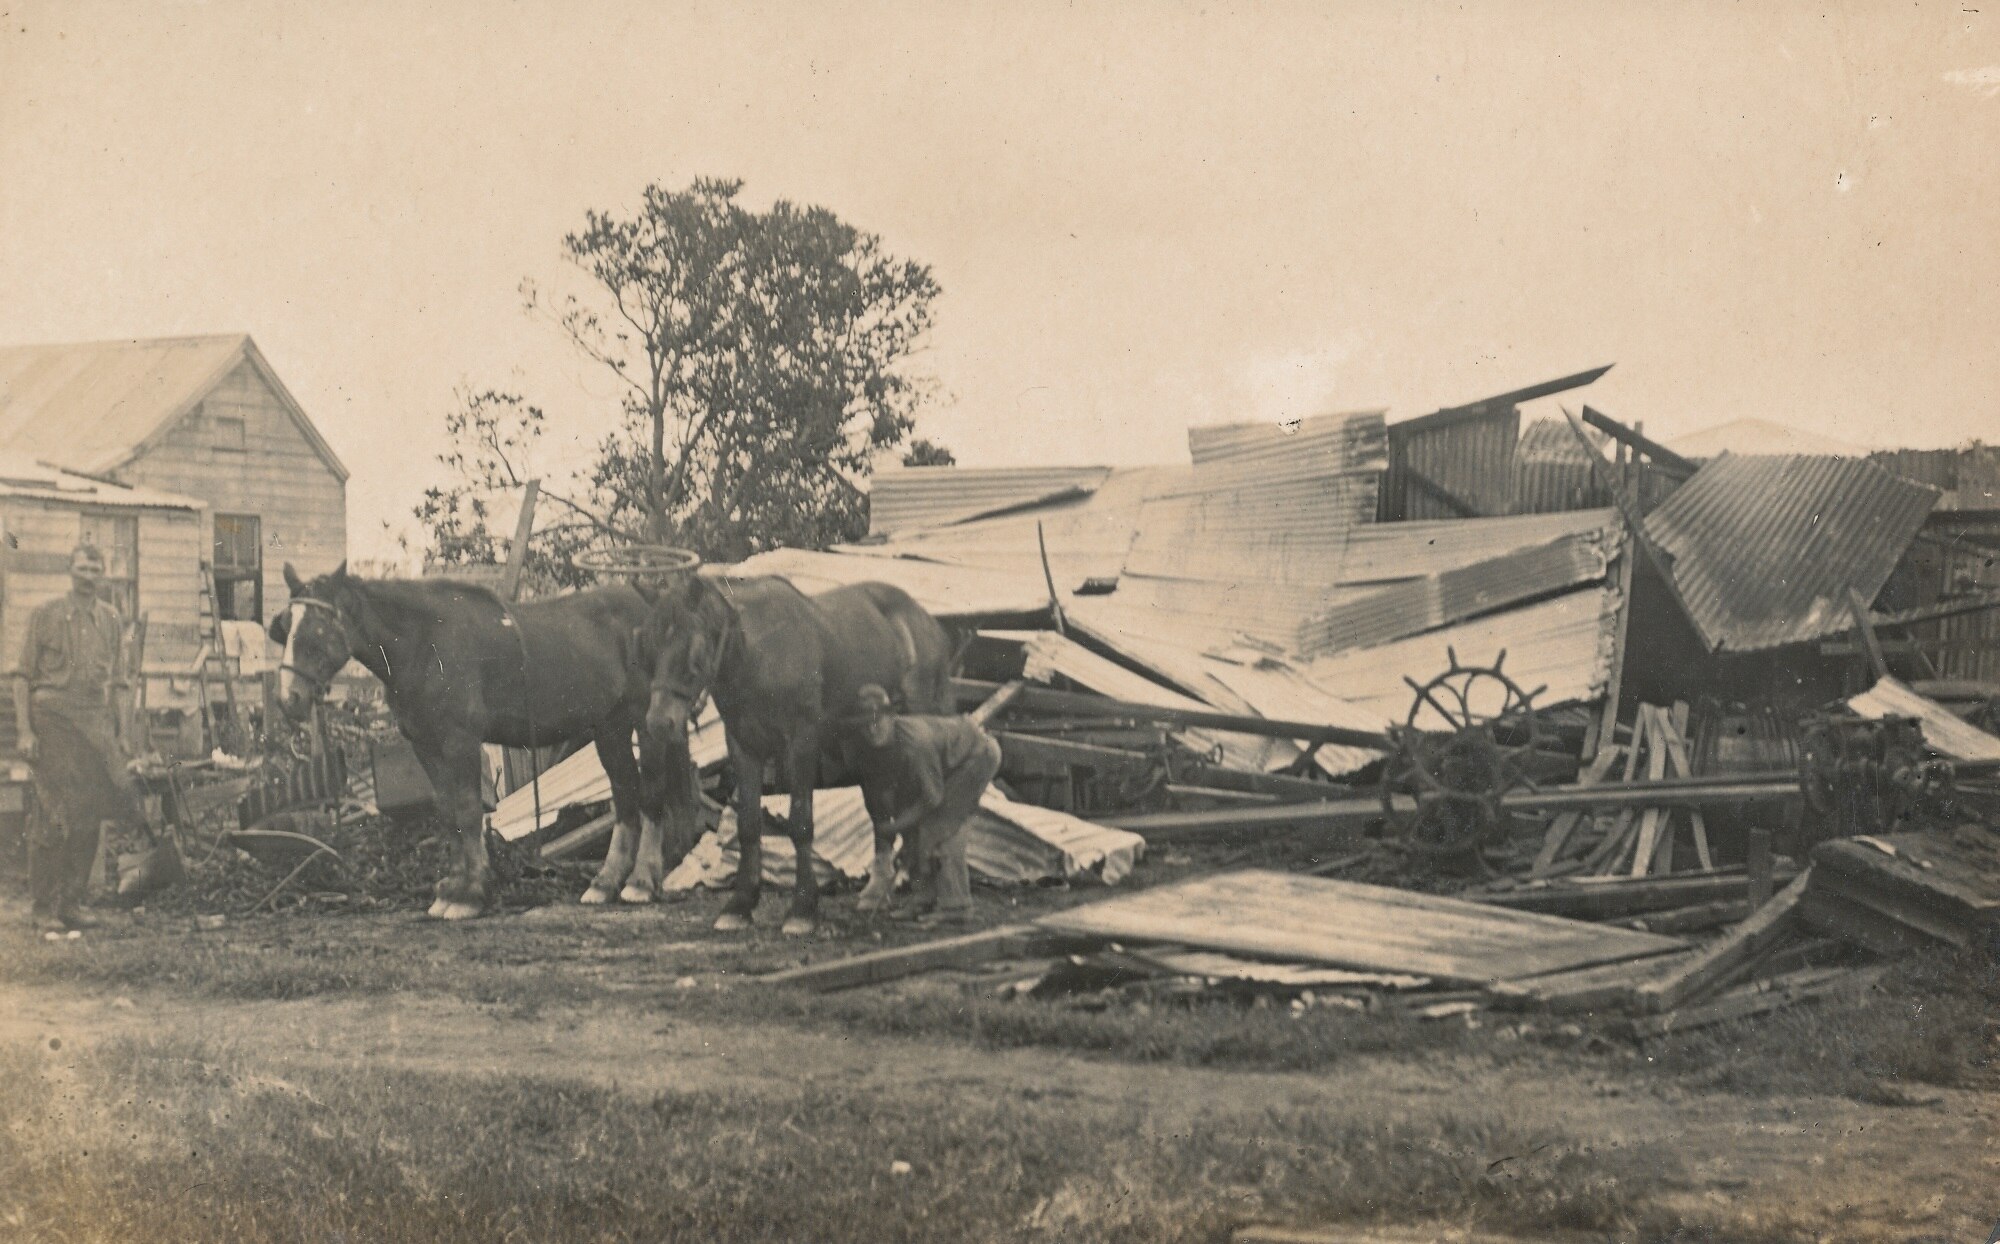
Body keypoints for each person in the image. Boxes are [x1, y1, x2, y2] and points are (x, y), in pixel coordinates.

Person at [13, 542, 145, 933]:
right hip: (51, 720)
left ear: (102, 575)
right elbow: (22, 677)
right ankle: (42, 908)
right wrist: (24, 730)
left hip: (95, 722)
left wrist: (121, 735)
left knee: (89, 814)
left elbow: (120, 684)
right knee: (53, 813)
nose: (88, 576)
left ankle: (71, 903)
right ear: (70, 572)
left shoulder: (111, 620)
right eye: (82, 569)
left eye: (95, 569)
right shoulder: (46, 615)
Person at [849, 683, 1003, 928]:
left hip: (977, 754)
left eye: (877, 721)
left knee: (942, 822)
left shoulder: (915, 744)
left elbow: (933, 798)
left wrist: (896, 826)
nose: (872, 729)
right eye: (865, 725)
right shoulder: (883, 746)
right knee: (913, 823)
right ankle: (924, 899)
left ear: (891, 717)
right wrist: (901, 827)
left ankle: (956, 906)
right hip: (949, 764)